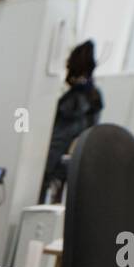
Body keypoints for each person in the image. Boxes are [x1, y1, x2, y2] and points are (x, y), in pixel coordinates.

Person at [40, 40, 104, 204]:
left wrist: (44, 168)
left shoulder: (75, 100)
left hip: (57, 162)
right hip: (75, 163)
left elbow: (60, 138)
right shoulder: (93, 97)